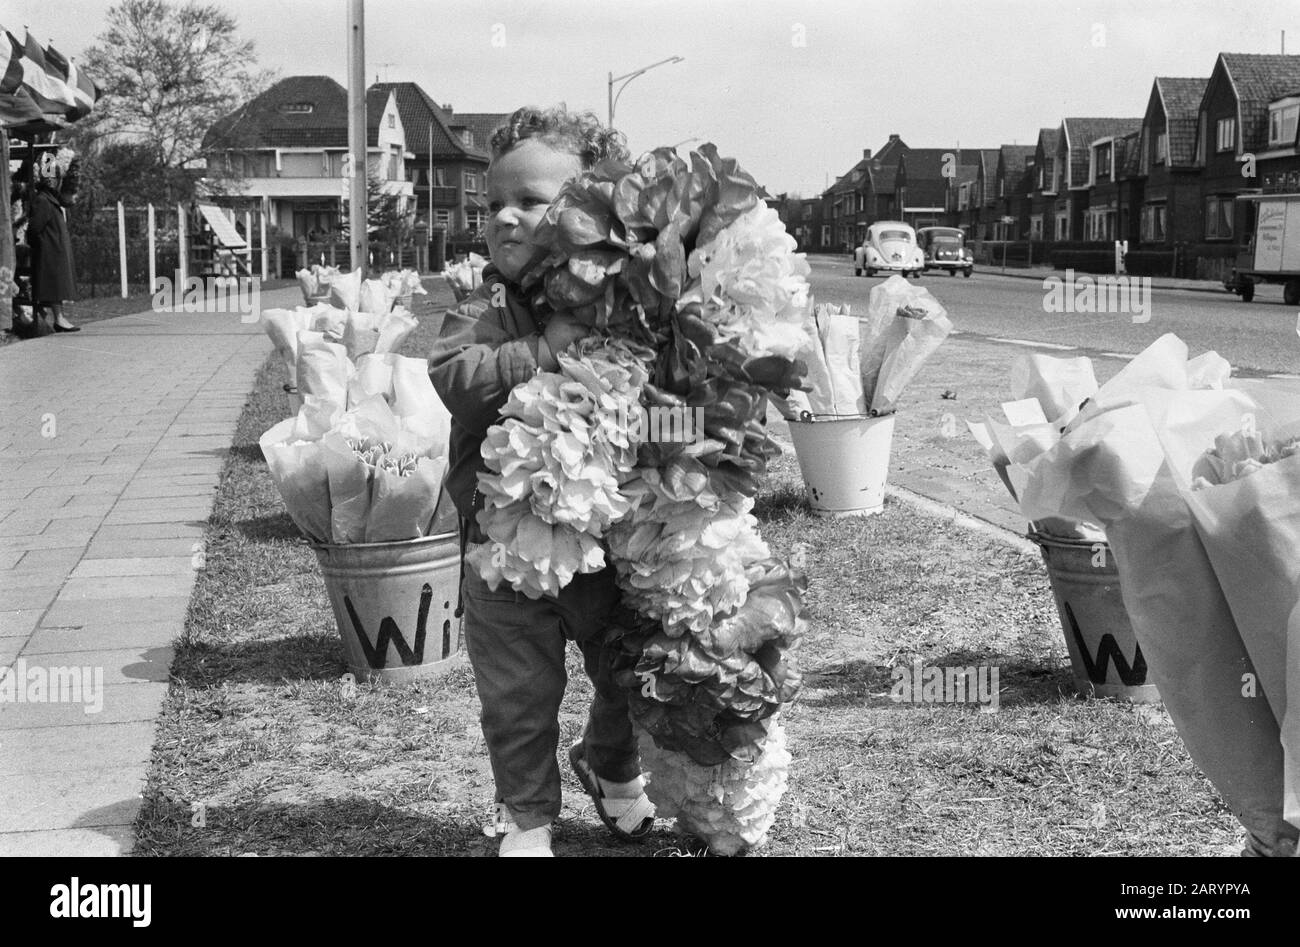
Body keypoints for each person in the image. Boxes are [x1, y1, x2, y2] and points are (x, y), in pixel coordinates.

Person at [428, 106, 654, 857]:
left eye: (531, 200)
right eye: (493, 204)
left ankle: (613, 767)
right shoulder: (482, 300)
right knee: (519, 693)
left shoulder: (628, 298)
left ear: (590, 205)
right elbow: (457, 377)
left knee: (626, 666)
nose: (505, 218)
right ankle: (527, 819)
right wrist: (542, 348)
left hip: (603, 537)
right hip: (501, 543)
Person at [29, 149, 79, 333]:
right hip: (49, 252)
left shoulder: (50, 199)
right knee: (55, 287)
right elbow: (34, 229)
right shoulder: (43, 200)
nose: (55, 181)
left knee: (58, 287)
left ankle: (59, 318)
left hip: (54, 250)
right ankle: (58, 318)